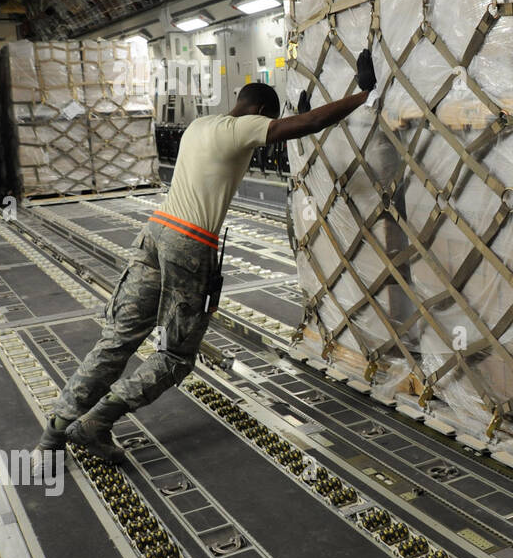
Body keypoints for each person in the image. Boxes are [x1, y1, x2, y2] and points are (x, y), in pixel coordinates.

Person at [35, 49, 379, 464]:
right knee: (175, 356)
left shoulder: (200, 125)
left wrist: (301, 121)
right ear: (260, 111)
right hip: (188, 245)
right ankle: (97, 422)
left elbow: (298, 129)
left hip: (154, 234)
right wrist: (364, 96)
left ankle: (53, 434)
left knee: (118, 341)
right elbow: (306, 123)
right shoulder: (241, 127)